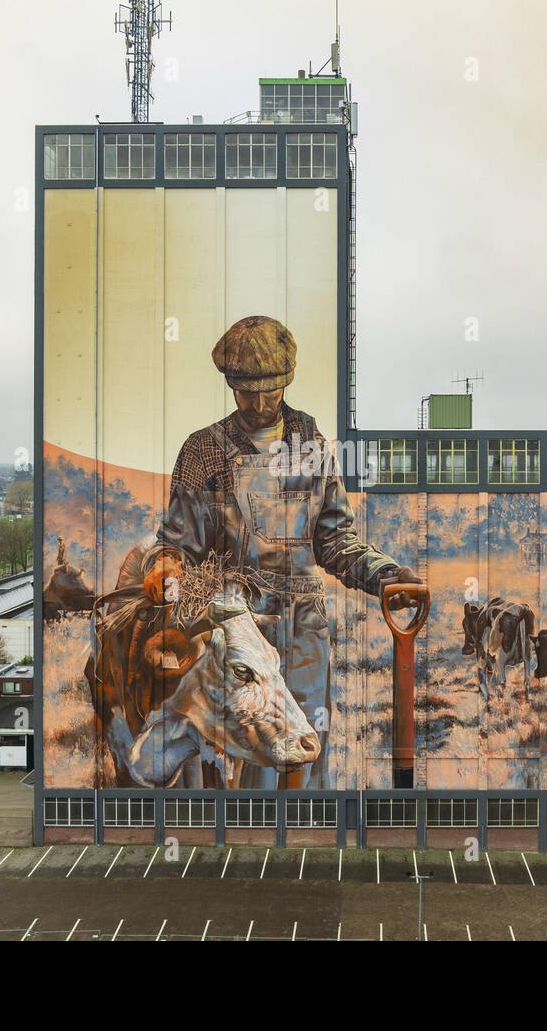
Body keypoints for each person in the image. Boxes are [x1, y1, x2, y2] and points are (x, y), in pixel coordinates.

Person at [148, 315, 422, 788]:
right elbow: (178, 546)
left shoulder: (312, 445)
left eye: (268, 390)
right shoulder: (203, 452)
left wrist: (384, 574)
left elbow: (335, 540)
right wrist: (166, 564)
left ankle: (303, 849)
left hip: (305, 630)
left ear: (286, 383)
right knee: (246, 754)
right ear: (231, 386)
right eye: (246, 391)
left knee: (306, 750)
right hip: (237, 628)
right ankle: (244, 856)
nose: (257, 402)